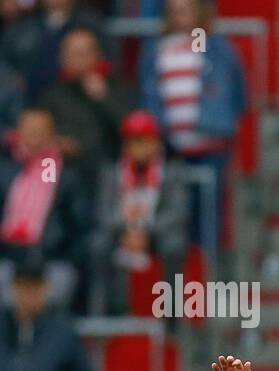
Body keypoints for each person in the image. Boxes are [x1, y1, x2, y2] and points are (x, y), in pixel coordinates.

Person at [137, 0, 248, 247]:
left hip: (211, 146)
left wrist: (220, 123)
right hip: (170, 149)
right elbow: (147, 97)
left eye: (186, 9)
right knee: (172, 218)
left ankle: (211, 273)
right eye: (175, 10)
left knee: (209, 217)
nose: (180, 16)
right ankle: (179, 276)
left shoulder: (219, 49)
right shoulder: (156, 51)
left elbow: (239, 93)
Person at [91, 110, 190, 317]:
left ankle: (171, 312)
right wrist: (126, 229)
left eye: (143, 140)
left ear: (155, 142)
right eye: (132, 141)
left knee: (174, 245)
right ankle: (109, 310)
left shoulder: (171, 169)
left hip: (156, 233)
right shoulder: (112, 171)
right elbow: (104, 210)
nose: (137, 147)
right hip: (122, 232)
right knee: (98, 244)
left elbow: (177, 211)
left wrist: (146, 230)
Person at [0, 106, 92, 310]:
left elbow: (79, 225)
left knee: (56, 291)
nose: (34, 136)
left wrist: (63, 252)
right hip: (8, 258)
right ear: (17, 133)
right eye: (28, 130)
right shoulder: (5, 170)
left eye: (40, 130)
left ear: (52, 135)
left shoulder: (64, 174)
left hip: (53, 260)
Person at [40, 27, 134, 184]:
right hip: (62, 172)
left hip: (106, 173)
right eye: (71, 53)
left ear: (98, 55)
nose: (77, 59)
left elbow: (132, 130)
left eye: (83, 53)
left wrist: (104, 99)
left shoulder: (117, 89)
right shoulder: (52, 95)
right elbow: (40, 133)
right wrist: (59, 143)